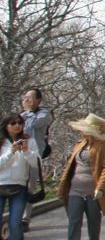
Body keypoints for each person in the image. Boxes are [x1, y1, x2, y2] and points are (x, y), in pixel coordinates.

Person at [60, 113, 105, 240]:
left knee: (94, 222)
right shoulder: (80, 143)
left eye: (85, 128)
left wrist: (101, 188)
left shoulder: (104, 145)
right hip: (75, 189)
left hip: (93, 191)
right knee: (74, 221)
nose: (81, 131)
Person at [0, 113, 36, 240]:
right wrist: (10, 152)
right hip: (1, 184)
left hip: (19, 187)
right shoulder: (2, 142)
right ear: (5, 125)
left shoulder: (29, 141)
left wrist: (27, 151)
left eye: (20, 123)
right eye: (13, 123)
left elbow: (36, 163)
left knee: (15, 224)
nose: (17, 126)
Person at [19, 88, 51, 230]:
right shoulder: (22, 115)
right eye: (25, 97)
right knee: (18, 185)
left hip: (34, 154)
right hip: (19, 155)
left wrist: (27, 113)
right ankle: (16, 215)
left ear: (38, 100)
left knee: (29, 187)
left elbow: (31, 125)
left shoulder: (44, 114)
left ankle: (25, 219)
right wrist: (24, 114)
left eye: (30, 98)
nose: (26, 100)